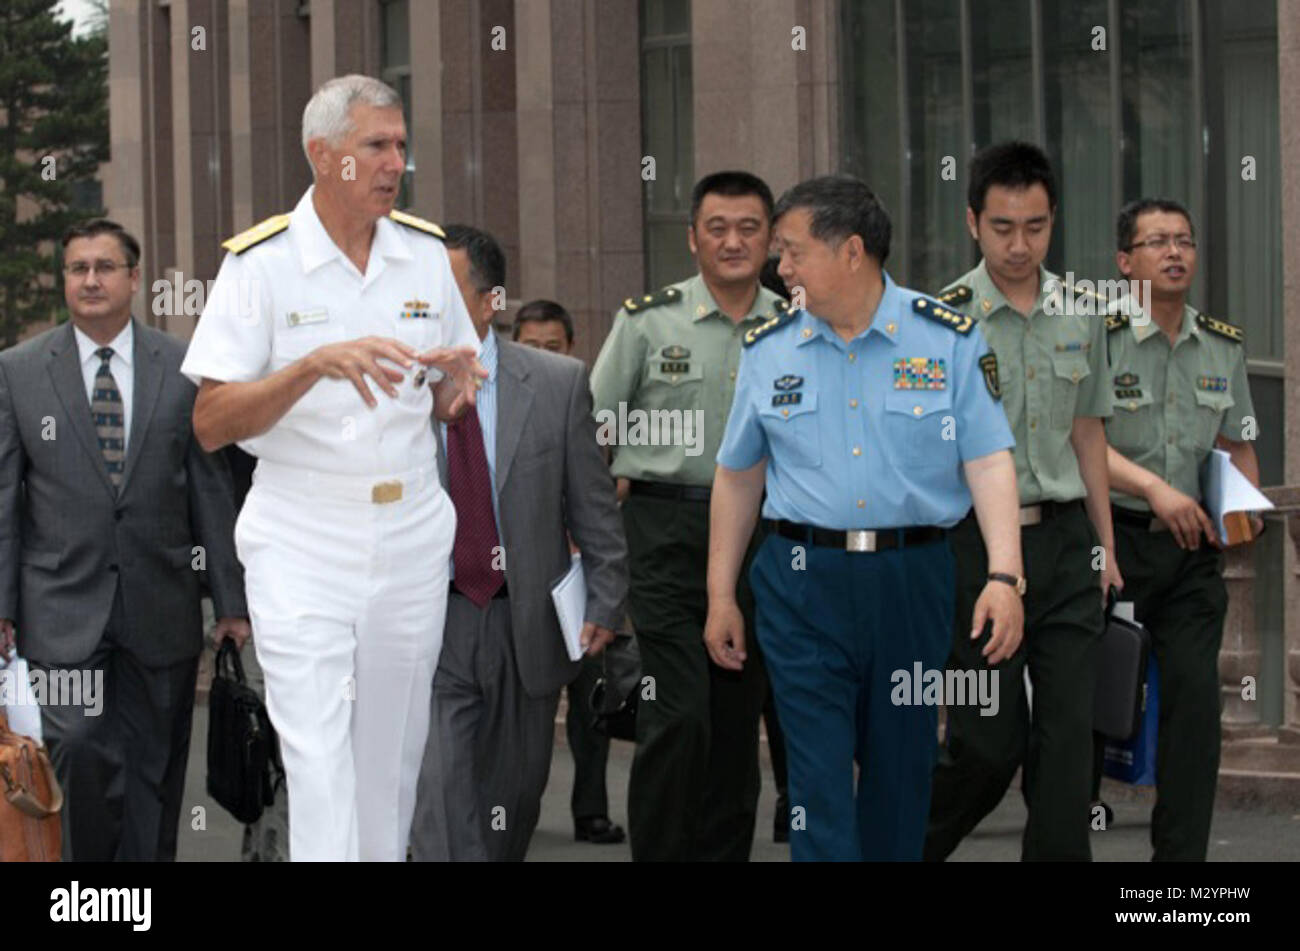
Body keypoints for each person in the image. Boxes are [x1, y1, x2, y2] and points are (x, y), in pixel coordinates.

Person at [180, 74, 486, 862]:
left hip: (411, 528)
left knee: (392, 761)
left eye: (401, 146)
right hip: (304, 536)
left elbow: (446, 403)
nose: (394, 163)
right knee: (318, 756)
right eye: (374, 146)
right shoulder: (262, 265)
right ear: (322, 155)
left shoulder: (423, 256)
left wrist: (456, 388)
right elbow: (211, 423)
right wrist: (313, 365)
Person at [705, 175, 1024, 861]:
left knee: (901, 772)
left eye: (792, 251)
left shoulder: (948, 341)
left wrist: (1005, 574)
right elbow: (738, 476)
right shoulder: (769, 348)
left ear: (851, 252)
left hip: (912, 580)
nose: (778, 267)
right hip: (801, 580)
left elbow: (989, 459)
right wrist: (720, 595)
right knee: (816, 778)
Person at [0, 218, 248, 861]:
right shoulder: (19, 372)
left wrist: (230, 601)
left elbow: (210, 489)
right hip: (59, 611)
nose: (90, 280)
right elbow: (4, 500)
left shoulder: (183, 368)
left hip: (159, 607)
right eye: (77, 268)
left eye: (104, 267)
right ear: (64, 282)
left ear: (134, 280)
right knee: (79, 750)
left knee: (153, 769)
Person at [924, 141, 1119, 862]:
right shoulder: (941, 320)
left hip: (1067, 543)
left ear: (1054, 222)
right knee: (986, 741)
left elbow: (1089, 431)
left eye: (1035, 226)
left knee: (1069, 742)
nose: (1019, 244)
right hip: (975, 549)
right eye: (1003, 227)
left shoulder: (1083, 311)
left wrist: (1106, 544)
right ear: (973, 221)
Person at [409, 228, 627, 861]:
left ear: (489, 301)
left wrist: (606, 602)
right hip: (434, 620)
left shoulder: (558, 383)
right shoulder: (399, 388)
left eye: (442, 292)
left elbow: (592, 506)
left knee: (511, 807)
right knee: (442, 806)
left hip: (525, 622)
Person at [591, 170, 788, 861]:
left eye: (749, 228)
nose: (733, 242)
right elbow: (596, 429)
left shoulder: (797, 325)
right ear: (692, 237)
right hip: (666, 531)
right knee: (678, 713)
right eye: (717, 228)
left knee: (737, 722)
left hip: (764, 537)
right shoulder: (649, 321)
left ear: (771, 238)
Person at [1095, 198, 1260, 860]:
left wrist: (1238, 515)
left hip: (1190, 551)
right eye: (1157, 241)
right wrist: (1154, 489)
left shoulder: (1220, 343)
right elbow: (1082, 445)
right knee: (1088, 704)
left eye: (1184, 240)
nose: (1174, 252)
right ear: (1124, 261)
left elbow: (1239, 439)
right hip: (1109, 540)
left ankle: (1179, 869)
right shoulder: (1096, 339)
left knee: (1194, 706)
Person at [512, 298, 626, 845]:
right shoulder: (492, 405)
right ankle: (507, 809)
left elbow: (604, 493)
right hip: (519, 579)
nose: (540, 356)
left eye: (551, 348)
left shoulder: (579, 402)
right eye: (529, 347)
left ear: (572, 348)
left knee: (590, 701)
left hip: (575, 578)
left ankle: (591, 810)